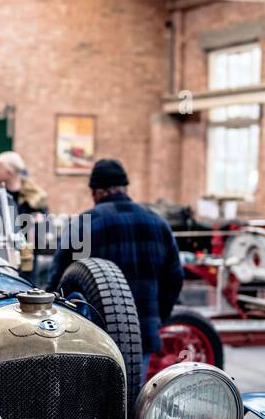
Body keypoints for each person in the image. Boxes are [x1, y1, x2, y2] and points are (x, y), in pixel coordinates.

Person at [46, 158, 182, 386]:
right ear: (125, 187)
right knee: (133, 399)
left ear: (95, 192)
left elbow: (59, 284)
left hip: (94, 339)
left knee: (95, 405)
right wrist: (156, 319)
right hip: (142, 335)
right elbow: (175, 279)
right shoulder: (158, 223)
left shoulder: (84, 224)